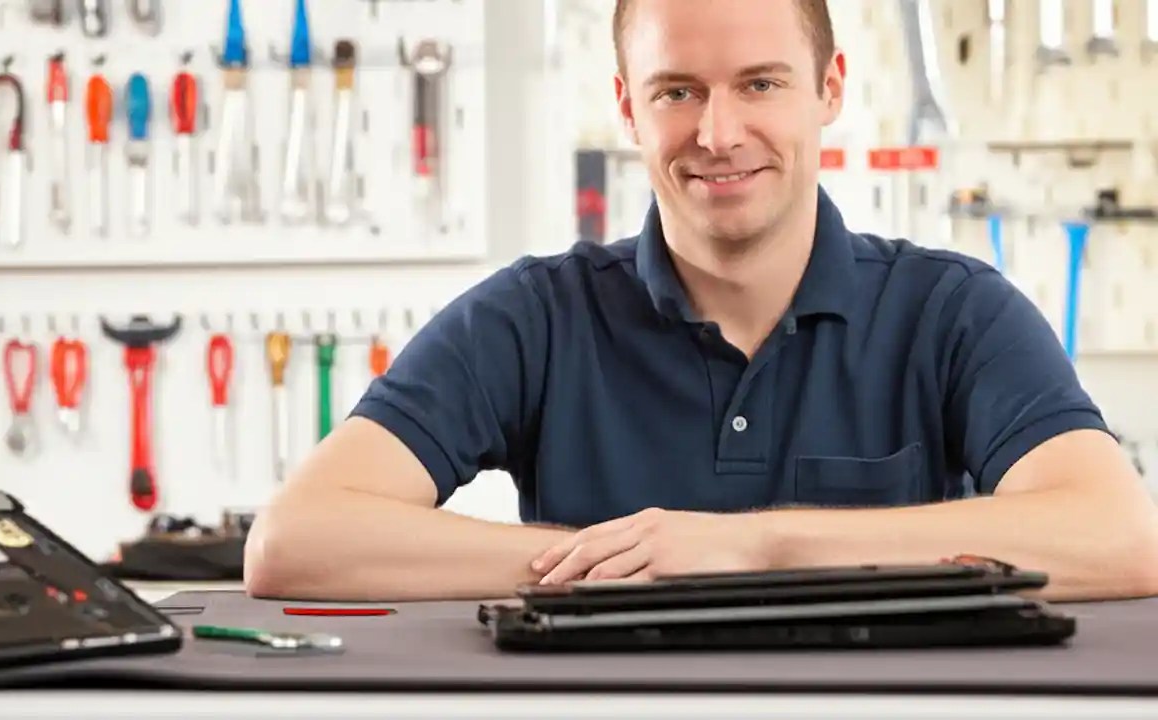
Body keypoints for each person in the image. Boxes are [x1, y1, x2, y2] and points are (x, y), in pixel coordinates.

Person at [244, 0, 1158, 602]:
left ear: (829, 89)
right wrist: (625, 566)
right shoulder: (535, 316)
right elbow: (293, 542)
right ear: (629, 109)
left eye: (759, 83)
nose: (719, 134)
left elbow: (1119, 538)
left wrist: (746, 550)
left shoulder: (956, 313)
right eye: (678, 91)